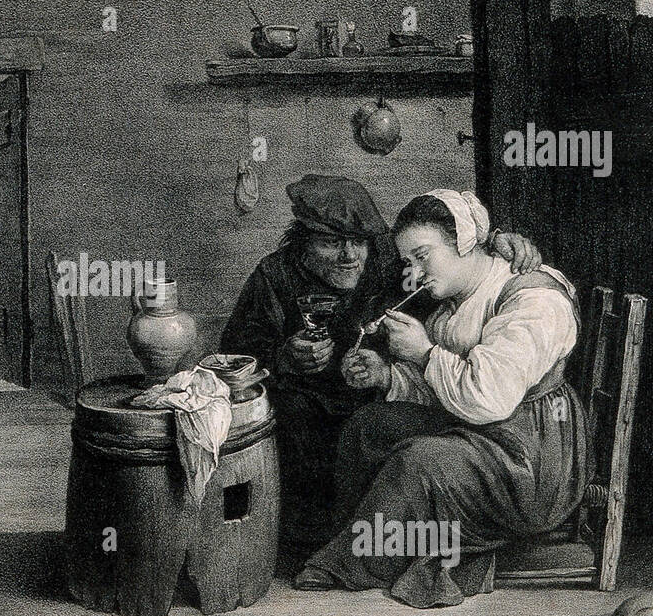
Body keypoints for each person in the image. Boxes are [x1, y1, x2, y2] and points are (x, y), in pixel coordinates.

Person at [220, 175, 541, 572]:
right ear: (301, 240)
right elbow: (233, 358)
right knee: (291, 418)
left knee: (374, 429)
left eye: (358, 242)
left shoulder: (393, 267)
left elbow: (456, 259)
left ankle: (365, 548)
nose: (349, 256)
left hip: (385, 397)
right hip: (301, 415)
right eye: (331, 242)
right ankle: (301, 549)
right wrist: (284, 357)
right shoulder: (275, 276)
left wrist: (499, 242)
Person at [292, 190, 591, 607]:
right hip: (489, 431)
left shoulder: (532, 299)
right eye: (407, 262)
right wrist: (387, 375)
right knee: (370, 426)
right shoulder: (455, 300)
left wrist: (424, 352)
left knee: (419, 460)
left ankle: (354, 561)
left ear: (465, 241)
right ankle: (356, 538)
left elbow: (487, 398)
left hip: (531, 457)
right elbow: (444, 392)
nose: (413, 273)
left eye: (422, 256)